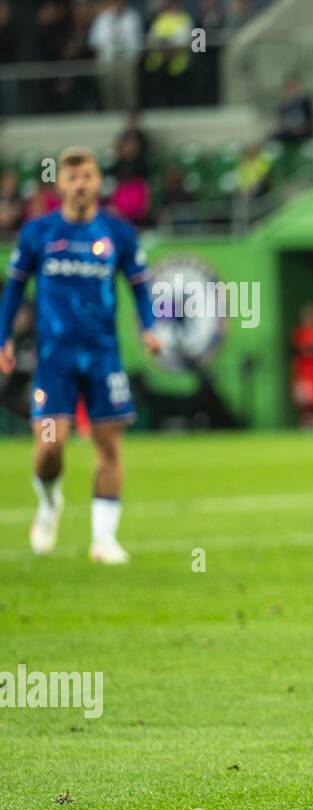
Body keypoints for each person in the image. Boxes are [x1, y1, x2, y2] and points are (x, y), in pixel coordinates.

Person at [0, 147, 161, 563]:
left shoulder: (118, 233)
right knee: (52, 443)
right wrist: (4, 338)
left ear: (97, 182)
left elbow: (140, 286)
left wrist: (149, 328)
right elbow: (14, 289)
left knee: (109, 443)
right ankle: (50, 503)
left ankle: (103, 540)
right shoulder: (39, 233)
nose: (81, 184)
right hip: (55, 358)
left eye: (88, 176)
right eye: (73, 178)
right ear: (61, 185)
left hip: (104, 355)